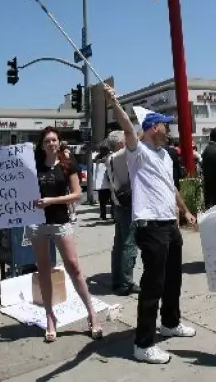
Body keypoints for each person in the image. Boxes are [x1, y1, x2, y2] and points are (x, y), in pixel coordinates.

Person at [104, 85, 197, 365]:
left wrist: (185, 211)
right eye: (164, 125)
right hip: (150, 225)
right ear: (153, 127)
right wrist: (114, 101)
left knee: (173, 279)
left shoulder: (166, 155)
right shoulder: (138, 151)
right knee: (152, 284)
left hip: (169, 223)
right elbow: (128, 130)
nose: (168, 130)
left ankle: (170, 323)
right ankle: (143, 344)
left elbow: (171, 187)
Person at [26, 127, 103, 342]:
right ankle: (50, 316)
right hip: (37, 223)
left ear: (59, 142)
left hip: (60, 222)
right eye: (47, 140)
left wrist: (52, 201)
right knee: (43, 270)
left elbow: (77, 195)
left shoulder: (68, 164)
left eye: (54, 140)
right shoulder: (33, 165)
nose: (51, 143)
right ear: (41, 144)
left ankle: (92, 313)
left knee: (74, 267)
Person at [105, 130, 138, 296]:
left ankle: (118, 280)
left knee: (119, 244)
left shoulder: (110, 158)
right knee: (128, 244)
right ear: (120, 144)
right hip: (127, 205)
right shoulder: (120, 156)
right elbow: (136, 140)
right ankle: (126, 282)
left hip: (118, 204)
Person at [94, 142, 113, 220]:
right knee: (105, 200)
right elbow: (95, 164)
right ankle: (104, 214)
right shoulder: (98, 156)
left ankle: (108, 214)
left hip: (108, 181)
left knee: (110, 200)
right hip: (104, 181)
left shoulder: (110, 156)